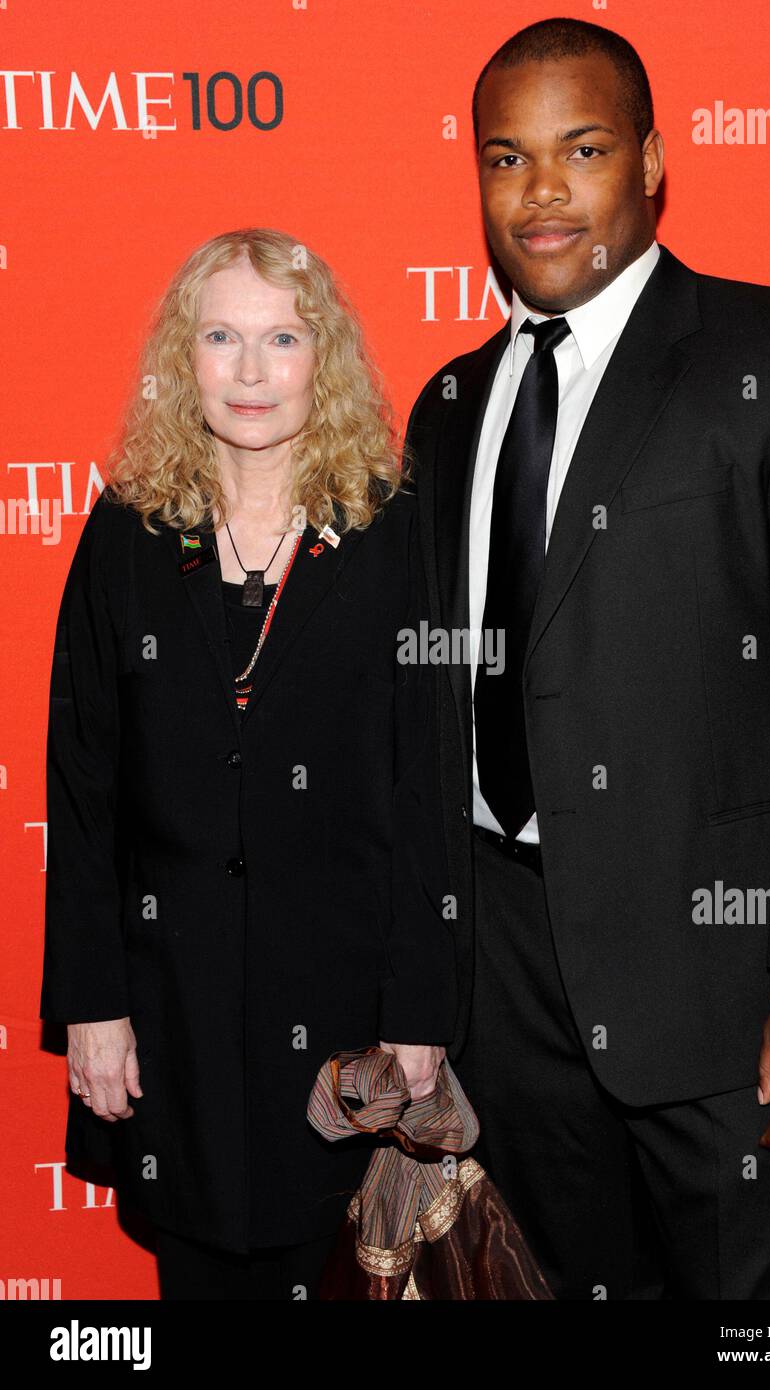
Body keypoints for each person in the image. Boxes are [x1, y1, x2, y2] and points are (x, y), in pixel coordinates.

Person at [405, 18, 770, 1299]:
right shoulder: (450, 406)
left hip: (726, 991)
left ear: (653, 161)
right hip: (499, 988)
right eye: (505, 159)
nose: (542, 192)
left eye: (582, 148)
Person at [39, 227, 456, 1300]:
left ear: (326, 357)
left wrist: (419, 1012)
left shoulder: (388, 530)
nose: (253, 370)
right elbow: (83, 788)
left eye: (282, 337)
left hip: (345, 1009)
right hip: (171, 1004)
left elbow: (428, 786)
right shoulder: (128, 535)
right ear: (185, 358)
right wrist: (92, 1002)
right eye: (221, 336)